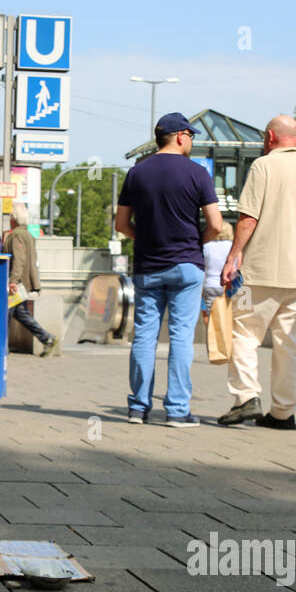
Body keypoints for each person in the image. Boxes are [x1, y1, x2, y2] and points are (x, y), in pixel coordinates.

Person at [115, 112, 223, 427]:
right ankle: (177, 411)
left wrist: (147, 239)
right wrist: (194, 243)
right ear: (179, 136)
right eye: (190, 135)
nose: (191, 141)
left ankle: (138, 408)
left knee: (145, 336)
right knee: (180, 337)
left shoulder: (137, 173)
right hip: (186, 267)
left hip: (148, 266)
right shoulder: (198, 173)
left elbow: (122, 224)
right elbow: (216, 224)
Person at [217, 116, 296, 430]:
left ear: (270, 136)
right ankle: (283, 413)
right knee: (289, 343)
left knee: (245, 334)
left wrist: (233, 256)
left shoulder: (263, 166)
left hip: (262, 269)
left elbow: (248, 216)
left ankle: (247, 398)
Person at [4, 202, 58, 356]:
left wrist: (13, 281)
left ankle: (2, 346)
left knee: (6, 313)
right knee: (20, 313)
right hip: (22, 282)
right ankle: (47, 338)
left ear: (14, 219)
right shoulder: (27, 234)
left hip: (17, 283)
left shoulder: (17, 235)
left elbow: (19, 260)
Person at [201, 222, 234, 316]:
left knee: (211, 316)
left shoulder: (205, 246)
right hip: (228, 285)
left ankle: (211, 330)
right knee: (228, 316)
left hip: (209, 284)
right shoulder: (233, 248)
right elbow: (237, 268)